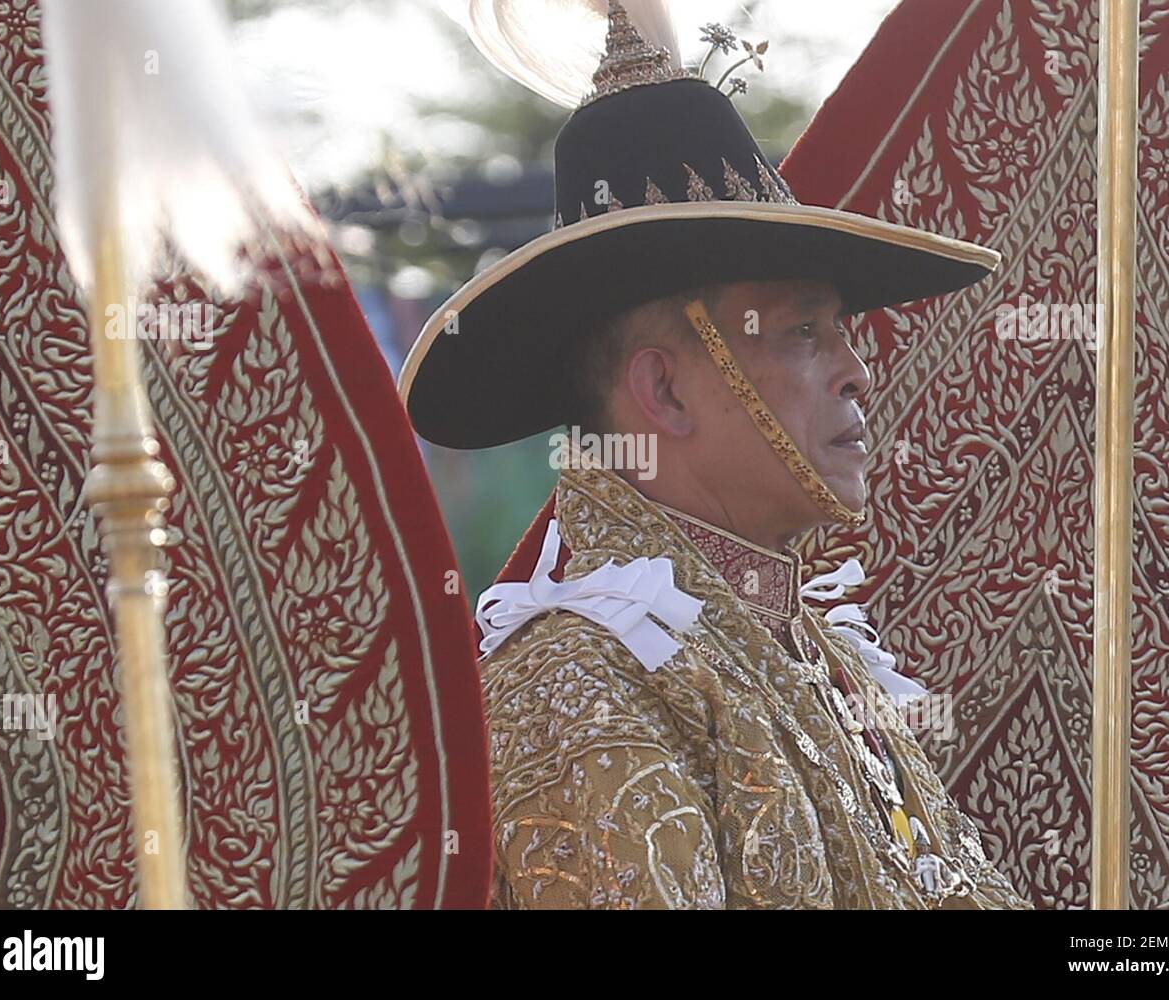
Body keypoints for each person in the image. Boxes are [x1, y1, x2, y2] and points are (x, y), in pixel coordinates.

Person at [400, 0, 1033, 909]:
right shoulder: (575, 695)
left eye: (842, 331)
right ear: (662, 391)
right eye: (804, 333)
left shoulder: (819, 653)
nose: (856, 372)